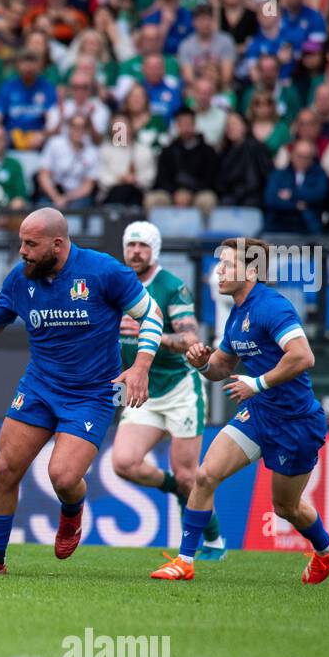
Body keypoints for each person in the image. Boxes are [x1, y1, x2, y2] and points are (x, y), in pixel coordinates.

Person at [0, 209, 164, 575]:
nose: (22, 250)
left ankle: (72, 511)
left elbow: (152, 315)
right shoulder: (21, 277)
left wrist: (141, 366)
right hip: (39, 388)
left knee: (64, 477)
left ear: (58, 244)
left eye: (30, 244)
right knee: (5, 469)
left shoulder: (104, 271)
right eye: (21, 241)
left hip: (92, 393)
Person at [152, 237, 329, 585]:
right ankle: (184, 561)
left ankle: (326, 547)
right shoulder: (237, 313)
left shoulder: (272, 307)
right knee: (205, 475)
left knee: (286, 508)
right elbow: (221, 368)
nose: (218, 272)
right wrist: (200, 363)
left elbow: (304, 357)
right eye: (217, 264)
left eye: (227, 265)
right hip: (258, 415)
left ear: (252, 270)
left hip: (295, 423)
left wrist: (256, 385)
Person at [111, 222, 226, 562]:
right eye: (131, 245)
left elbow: (190, 340)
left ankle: (215, 542)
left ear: (155, 251)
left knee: (192, 477)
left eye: (143, 246)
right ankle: (173, 487)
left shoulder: (172, 287)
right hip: (141, 389)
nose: (136, 252)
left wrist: (152, 332)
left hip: (179, 389)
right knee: (124, 463)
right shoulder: (117, 283)